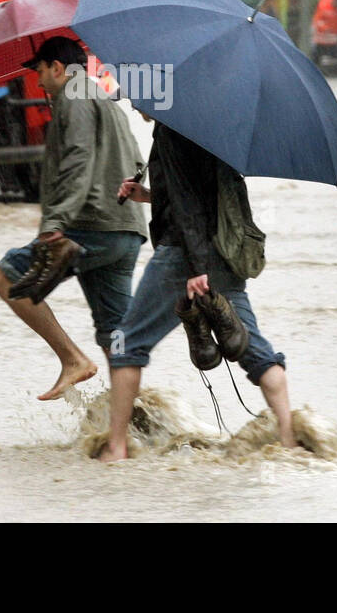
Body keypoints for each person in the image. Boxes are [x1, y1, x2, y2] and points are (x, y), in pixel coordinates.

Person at [97, 121, 294, 462]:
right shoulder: (215, 125)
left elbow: (188, 203)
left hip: (184, 253)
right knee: (253, 348)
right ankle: (291, 439)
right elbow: (198, 190)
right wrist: (147, 195)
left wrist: (195, 269)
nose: (134, 103)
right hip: (223, 249)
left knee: (126, 344)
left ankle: (116, 447)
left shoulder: (174, 127)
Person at [0, 36, 149, 401]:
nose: (38, 81)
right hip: (125, 231)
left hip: (89, 226)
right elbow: (138, 162)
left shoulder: (74, 96)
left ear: (58, 68)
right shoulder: (104, 101)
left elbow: (78, 159)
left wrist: (54, 223)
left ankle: (72, 358)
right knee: (115, 335)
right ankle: (133, 425)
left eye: (40, 71)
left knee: (6, 277)